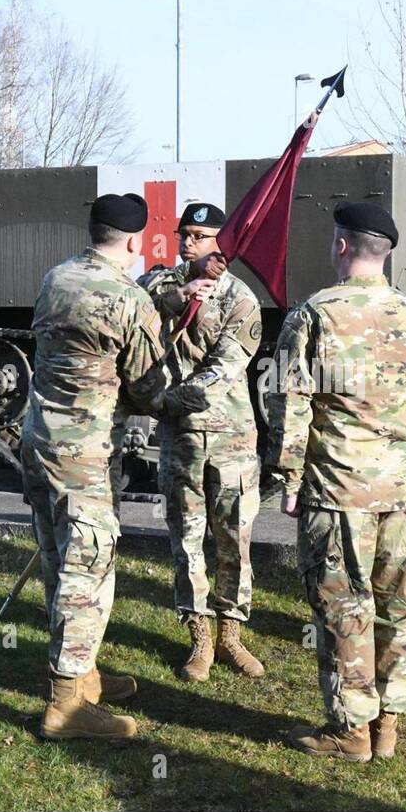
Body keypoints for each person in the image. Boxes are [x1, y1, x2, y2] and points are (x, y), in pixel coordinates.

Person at [267, 201, 406, 762]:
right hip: (402, 493)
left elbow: (290, 404)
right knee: (399, 606)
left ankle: (351, 728)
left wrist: (290, 476)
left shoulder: (315, 315)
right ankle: (390, 724)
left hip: (338, 492)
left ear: (342, 246)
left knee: (343, 607)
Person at [21, 192, 164, 741]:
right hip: (86, 454)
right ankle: (65, 707)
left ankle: (82, 675)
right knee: (88, 570)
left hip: (40, 442)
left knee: (60, 559)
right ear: (134, 241)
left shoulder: (55, 278)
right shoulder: (130, 299)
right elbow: (149, 389)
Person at [138, 203, 265, 681]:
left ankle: (232, 634)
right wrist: (180, 288)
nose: (187, 242)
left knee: (234, 539)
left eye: (199, 236)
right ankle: (200, 639)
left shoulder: (240, 299)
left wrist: (163, 400)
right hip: (181, 441)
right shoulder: (164, 281)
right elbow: (137, 300)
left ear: (222, 243)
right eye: (183, 234)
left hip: (229, 438)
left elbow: (227, 365)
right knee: (186, 539)